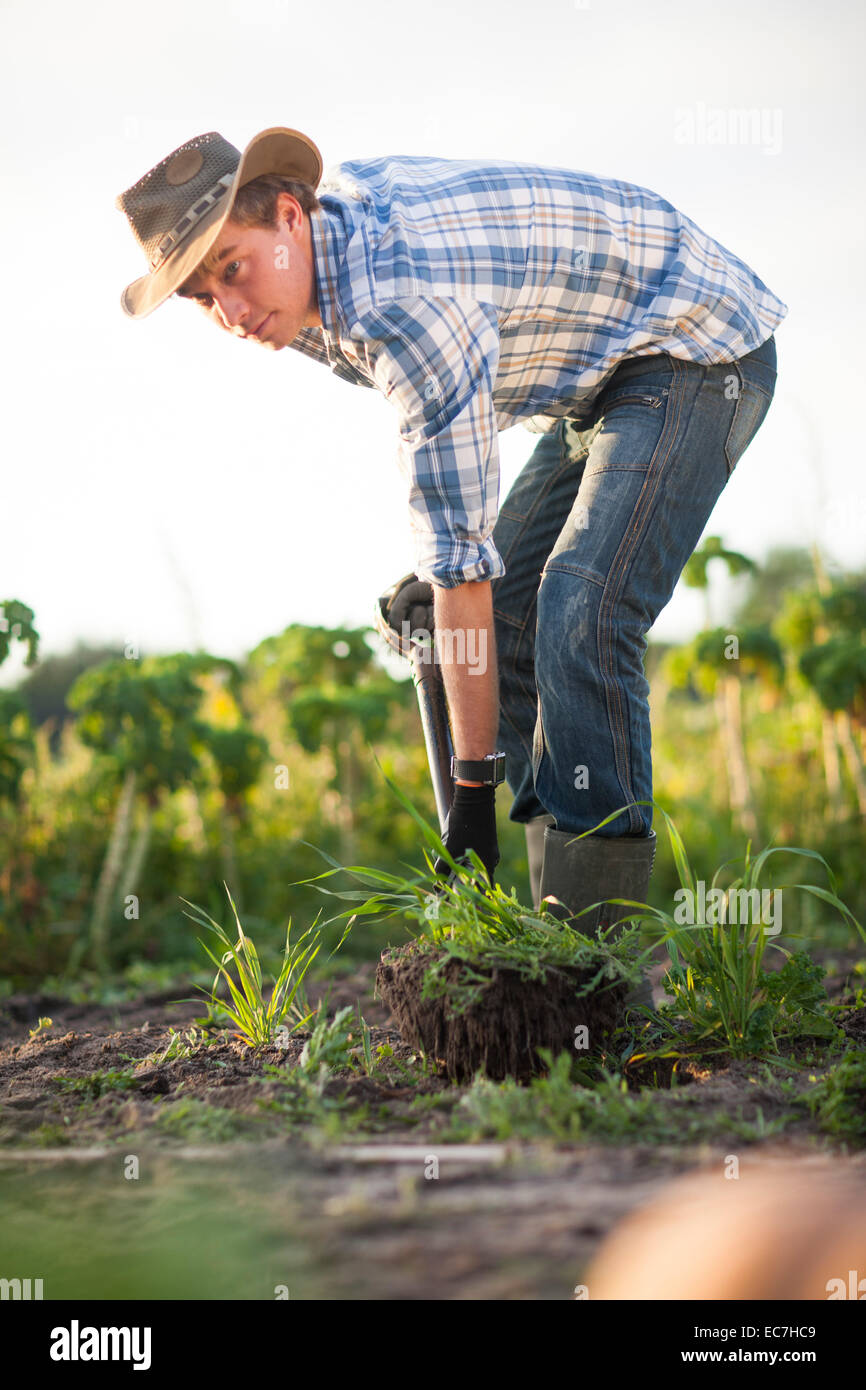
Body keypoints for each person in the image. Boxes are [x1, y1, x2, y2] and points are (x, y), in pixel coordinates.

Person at [115, 126, 786, 972]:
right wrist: (448, 587)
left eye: (234, 269)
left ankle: (591, 970)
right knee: (454, 617)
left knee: (580, 605)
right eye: (204, 298)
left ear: (290, 214)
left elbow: (462, 557)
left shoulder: (406, 300)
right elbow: (458, 549)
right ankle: (526, 929)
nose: (232, 313)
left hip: (694, 344)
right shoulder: (316, 267)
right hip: (596, 377)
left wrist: (471, 789)